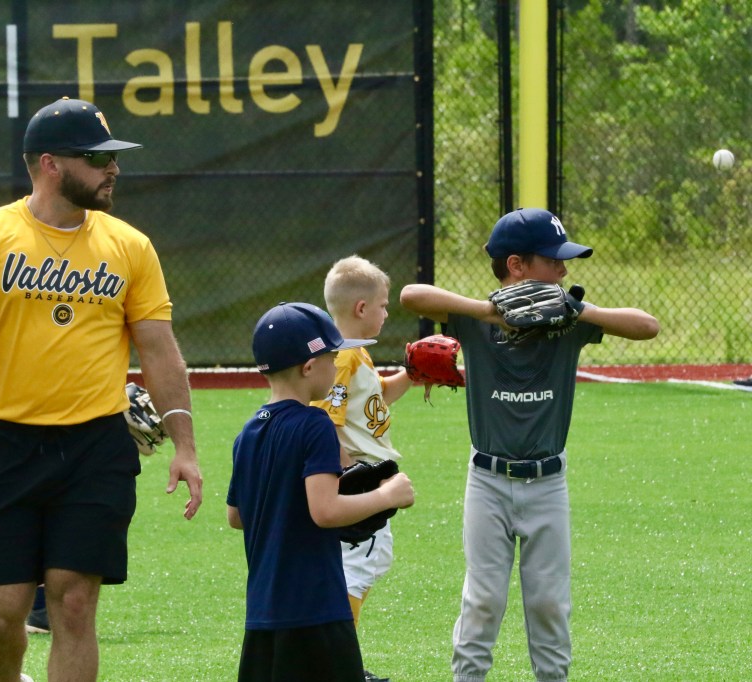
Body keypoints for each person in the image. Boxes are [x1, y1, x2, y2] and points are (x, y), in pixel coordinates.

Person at [0, 97, 203, 682]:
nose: (113, 169)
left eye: (112, 158)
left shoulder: (130, 246)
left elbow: (158, 349)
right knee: (2, 613)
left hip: (96, 448)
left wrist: (185, 444)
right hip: (4, 446)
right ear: (50, 164)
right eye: (97, 158)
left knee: (73, 604)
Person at [400, 208, 660, 681]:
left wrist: (579, 310)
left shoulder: (567, 322)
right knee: (482, 601)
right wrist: (487, 310)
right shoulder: (474, 322)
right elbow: (410, 295)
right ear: (516, 265)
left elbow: (648, 326)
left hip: (547, 484)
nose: (563, 269)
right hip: (488, 482)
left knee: (548, 603)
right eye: (553, 260)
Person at [226, 302, 416, 682]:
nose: (337, 364)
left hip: (263, 611)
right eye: (333, 356)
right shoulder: (315, 424)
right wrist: (388, 495)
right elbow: (325, 511)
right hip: (317, 607)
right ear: (309, 366)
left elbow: (236, 516)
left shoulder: (248, 431)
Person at [310, 256, 415, 682]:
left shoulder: (356, 356)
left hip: (366, 474)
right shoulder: (342, 359)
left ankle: (336, 660)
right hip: (360, 481)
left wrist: (414, 374)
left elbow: (374, 400)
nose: (387, 313)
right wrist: (341, 466)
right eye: (384, 305)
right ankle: (336, 664)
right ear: (361, 309)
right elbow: (327, 413)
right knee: (358, 567)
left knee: (363, 564)